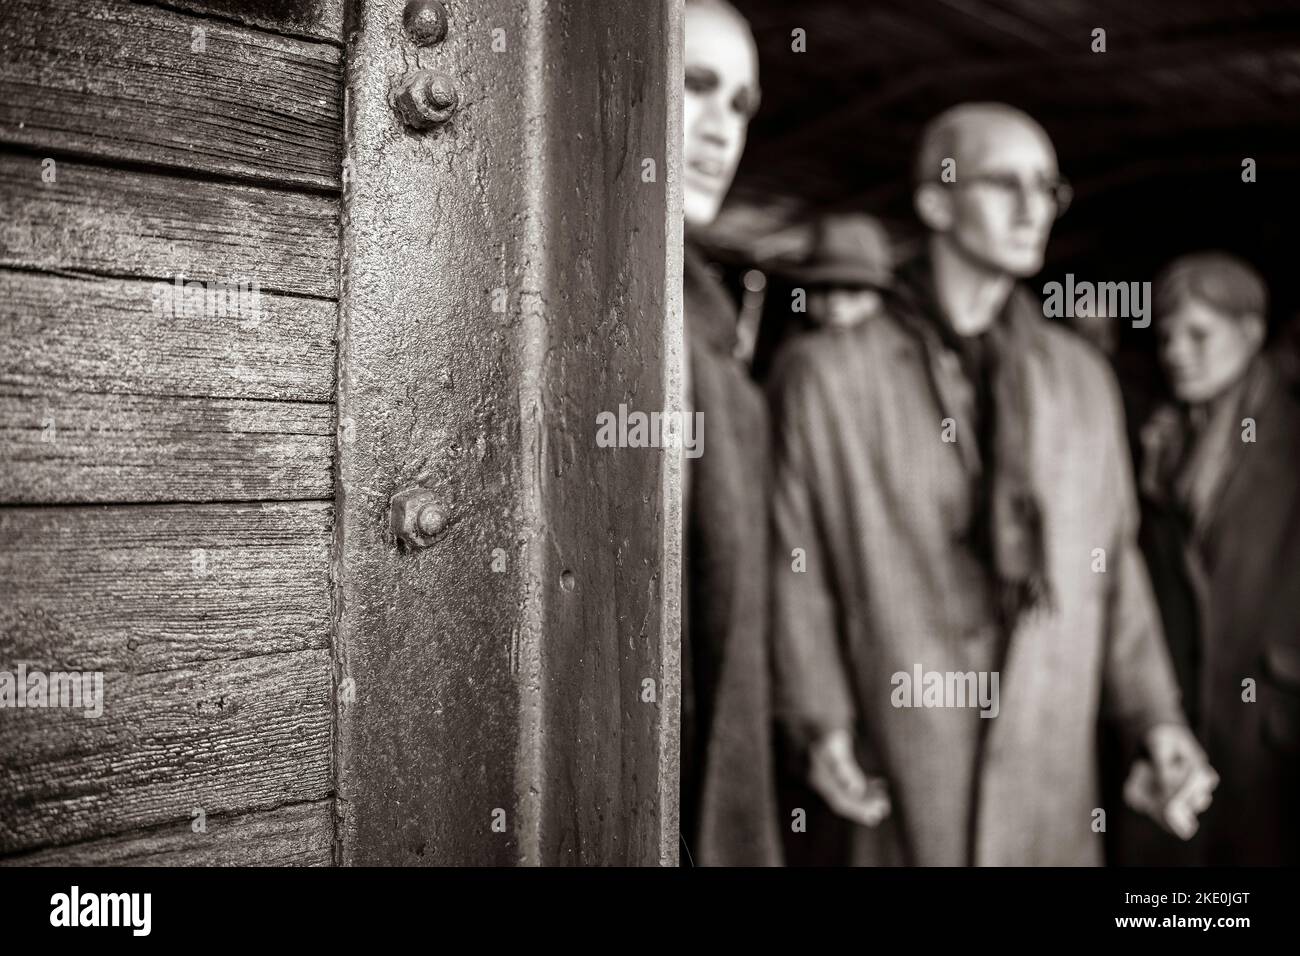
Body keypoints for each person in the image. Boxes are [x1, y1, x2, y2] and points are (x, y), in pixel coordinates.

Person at [768, 102, 1216, 865]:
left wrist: (1156, 719)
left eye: (1047, 187)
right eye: (1005, 183)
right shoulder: (829, 376)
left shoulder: (1080, 380)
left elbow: (1116, 565)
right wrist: (822, 722)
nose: (1031, 206)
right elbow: (796, 564)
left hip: (1051, 766)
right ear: (936, 200)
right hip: (905, 750)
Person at [1121, 253, 1300, 864]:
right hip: (1177, 722)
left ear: (1251, 334)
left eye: (1199, 334)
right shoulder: (1159, 439)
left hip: (1269, 730)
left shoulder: (1290, 444)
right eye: (1166, 335)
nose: (1176, 351)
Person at [677, 0, 780, 866]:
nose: (722, 130)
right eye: (696, 85)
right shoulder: (617, 312)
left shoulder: (702, 324)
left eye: (741, 105)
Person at [751, 213, 893, 382]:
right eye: (822, 289)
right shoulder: (796, 359)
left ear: (878, 298)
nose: (834, 303)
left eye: (852, 289)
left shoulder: (905, 363)